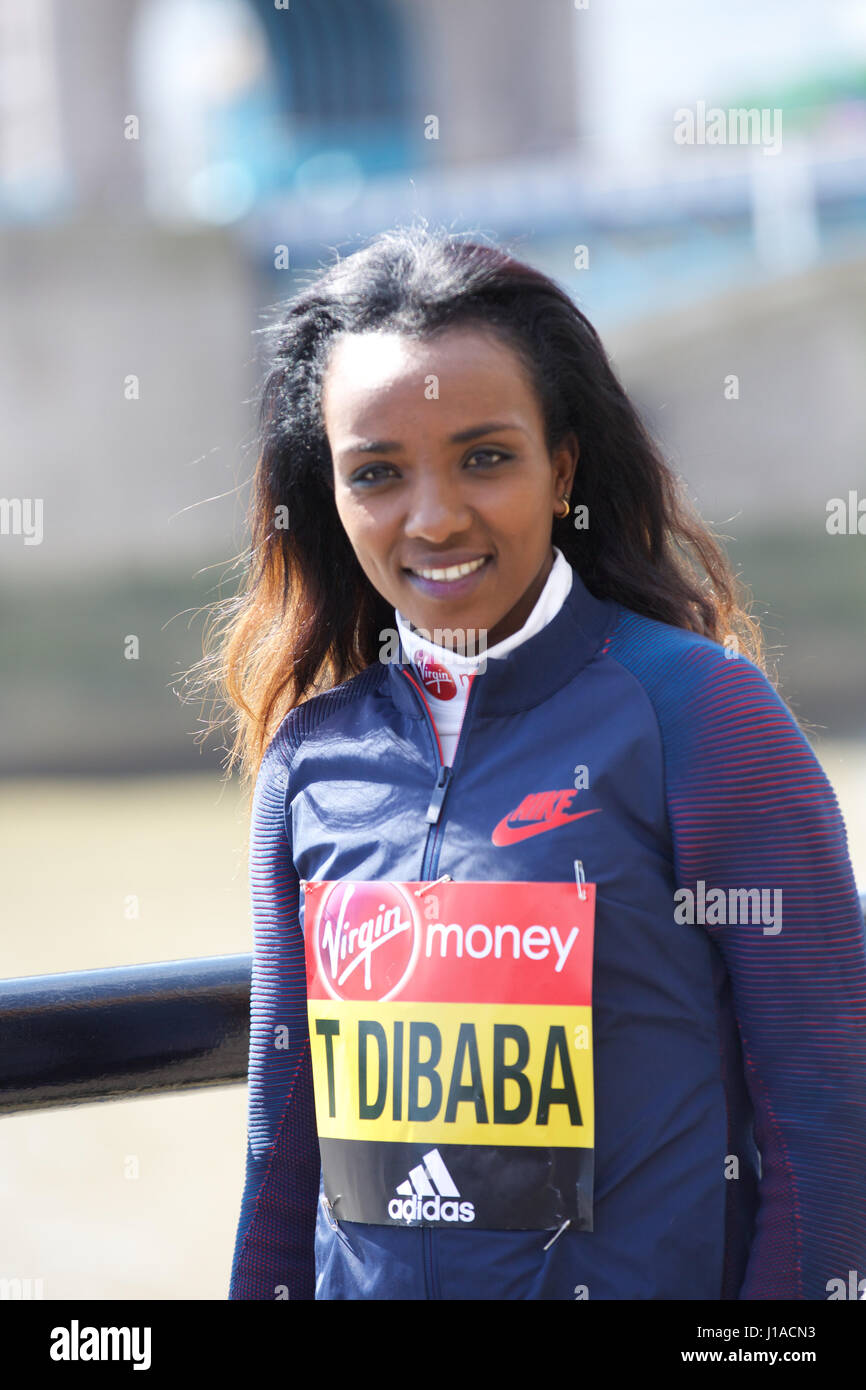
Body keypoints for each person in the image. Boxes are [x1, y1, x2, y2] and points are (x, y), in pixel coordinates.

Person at [212, 224, 866, 1300]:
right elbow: (284, 1153)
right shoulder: (310, 762)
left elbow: (829, 1123)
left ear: (560, 465)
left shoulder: (702, 717)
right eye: (376, 472)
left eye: (484, 457)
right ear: (327, 493)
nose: (434, 517)